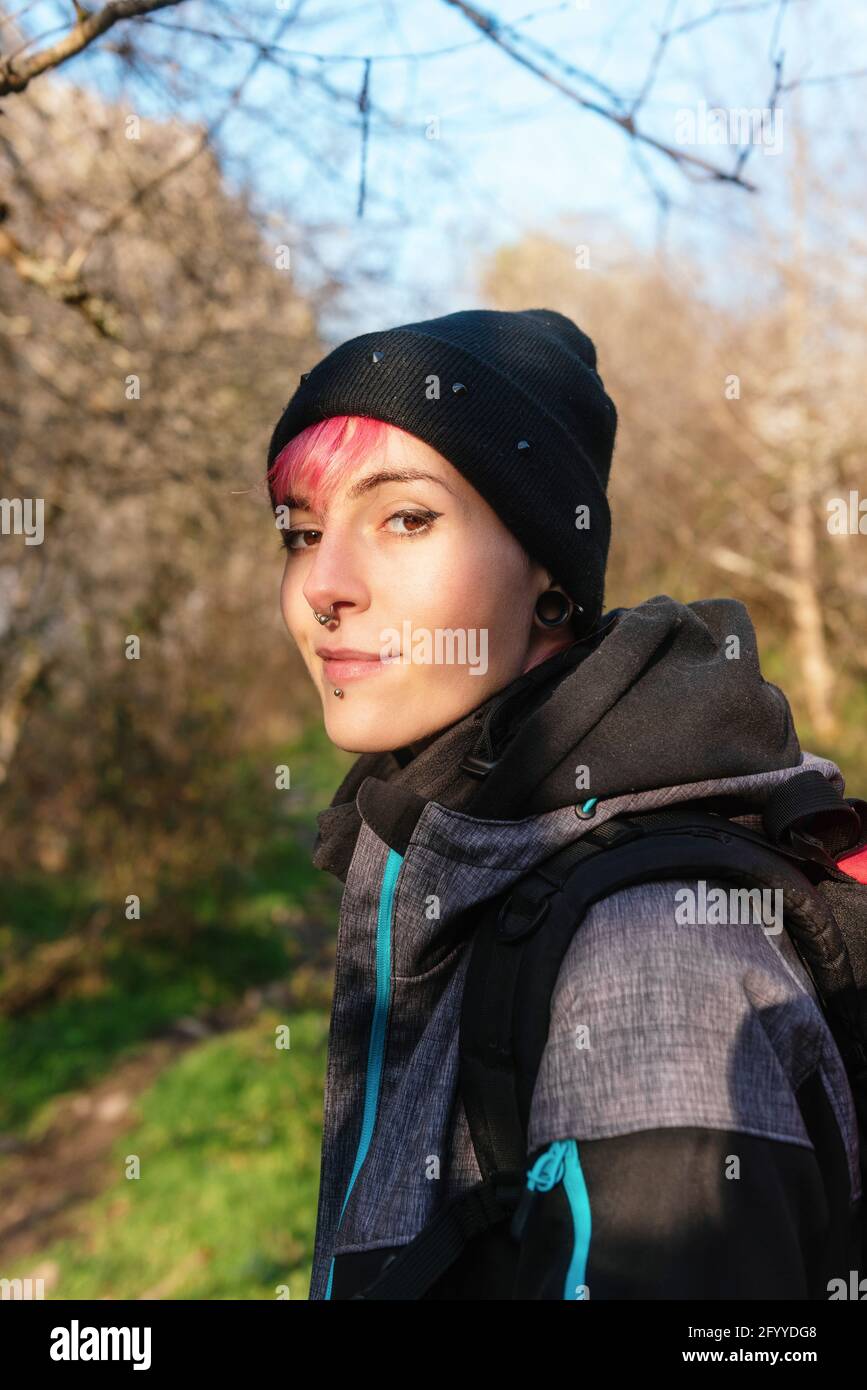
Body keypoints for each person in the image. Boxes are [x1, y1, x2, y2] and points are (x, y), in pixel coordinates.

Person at [265, 307, 862, 1300]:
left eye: (405, 517)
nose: (323, 584)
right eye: (301, 530)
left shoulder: (653, 963)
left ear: (549, 567)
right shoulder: (442, 859)